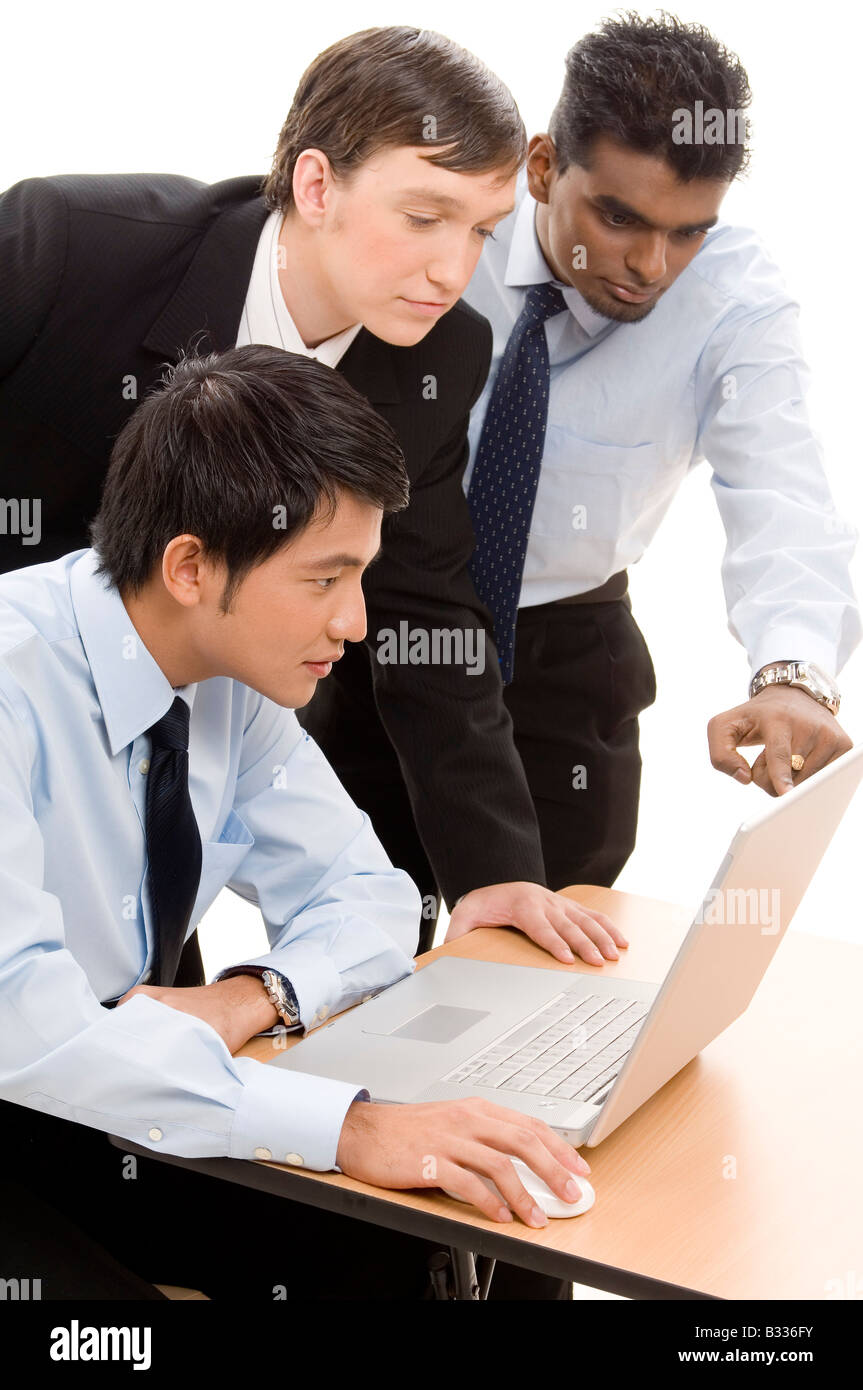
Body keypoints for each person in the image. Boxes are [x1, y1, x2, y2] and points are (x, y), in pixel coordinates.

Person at [0, 24, 625, 967]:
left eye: (482, 230)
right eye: (423, 218)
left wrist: (493, 867)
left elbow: (422, 606)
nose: (455, 272)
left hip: (171, 752)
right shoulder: (67, 247)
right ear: (316, 183)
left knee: (152, 1028)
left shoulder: (441, 354)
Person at [0, 346, 589, 1300]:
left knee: (408, 1245)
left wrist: (251, 996)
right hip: (25, 1078)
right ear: (190, 565)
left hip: (109, 1086)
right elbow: (24, 1028)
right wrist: (350, 1124)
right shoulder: (12, 682)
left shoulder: (231, 678)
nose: (354, 622)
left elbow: (371, 898)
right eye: (325, 581)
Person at [451, 11, 860, 896]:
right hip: (382, 627)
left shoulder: (733, 299)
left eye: (687, 231)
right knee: (352, 947)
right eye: (621, 217)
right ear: (542, 167)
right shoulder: (442, 228)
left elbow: (785, 491)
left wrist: (791, 677)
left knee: (552, 949)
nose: (650, 264)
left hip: (566, 647)